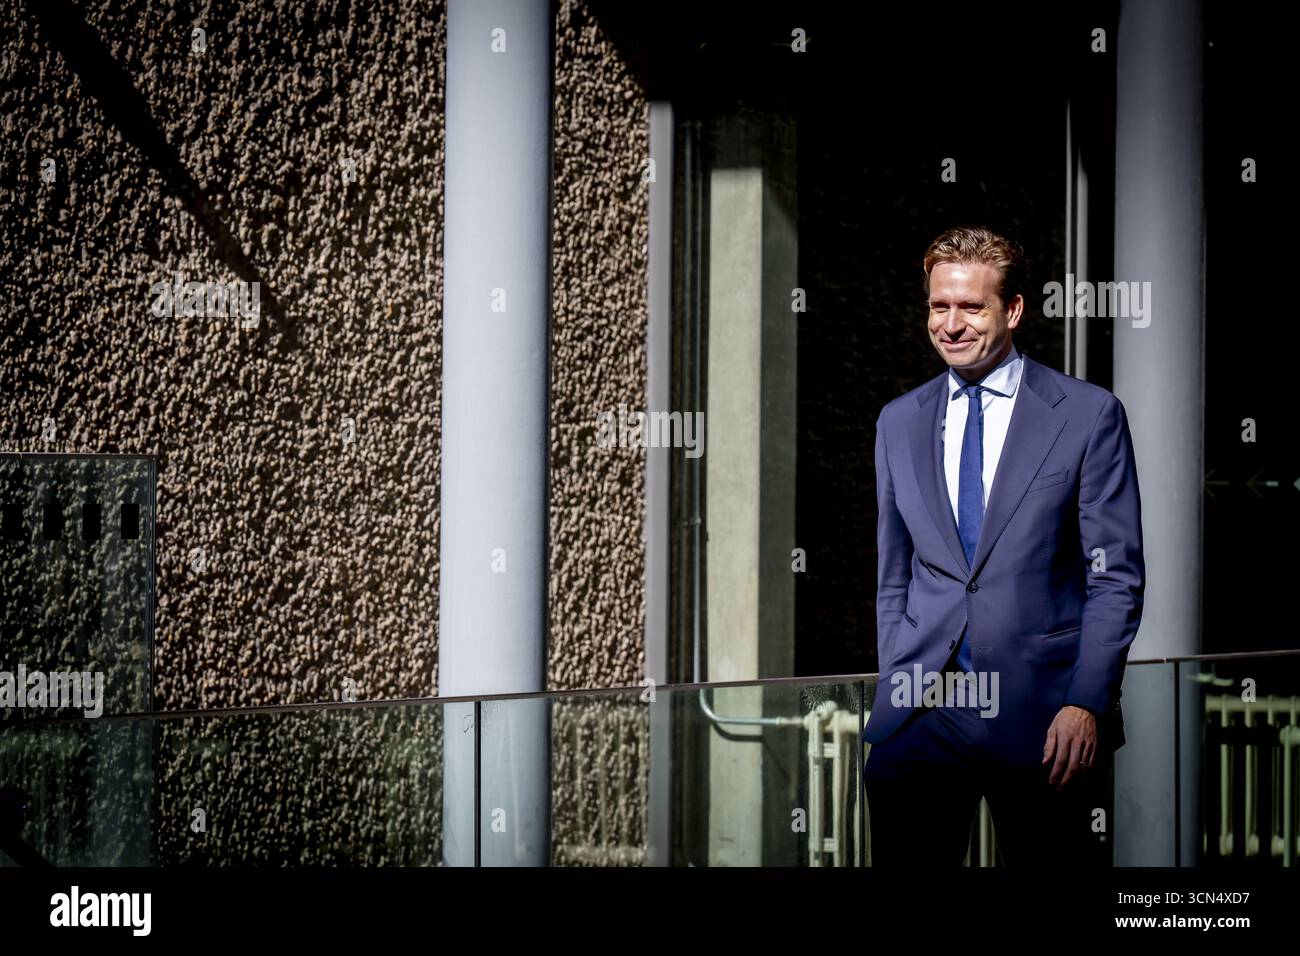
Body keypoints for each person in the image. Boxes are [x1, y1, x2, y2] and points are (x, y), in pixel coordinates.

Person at [863, 226, 1145, 866]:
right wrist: (896, 681)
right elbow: (893, 574)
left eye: (971, 307)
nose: (951, 324)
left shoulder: (1087, 414)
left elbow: (1115, 576)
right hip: (923, 713)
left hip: (1046, 716)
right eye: (939, 306)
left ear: (1012, 310)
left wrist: (1086, 701)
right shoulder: (898, 420)